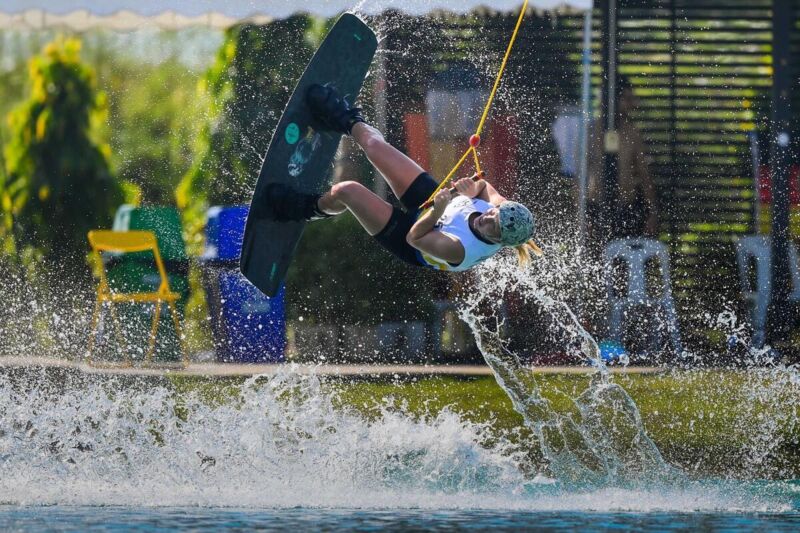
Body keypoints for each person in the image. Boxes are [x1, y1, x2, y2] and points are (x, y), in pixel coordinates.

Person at [265, 84, 539, 271]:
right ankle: (344, 118)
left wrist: (437, 212)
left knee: (347, 191)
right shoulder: (500, 209)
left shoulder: (461, 250)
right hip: (433, 200)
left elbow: (415, 237)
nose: (488, 218)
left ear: (500, 241)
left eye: (493, 227)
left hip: (414, 237)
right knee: (374, 147)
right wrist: (471, 188)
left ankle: (305, 208)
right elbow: (483, 186)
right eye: (494, 213)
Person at [586, 75, 658, 248]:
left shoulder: (632, 133)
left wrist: (653, 213)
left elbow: (645, 175)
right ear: (612, 100)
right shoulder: (591, 131)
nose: (633, 104)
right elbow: (580, 176)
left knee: (624, 264)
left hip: (626, 208)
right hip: (596, 208)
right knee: (596, 262)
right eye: (627, 98)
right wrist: (582, 216)